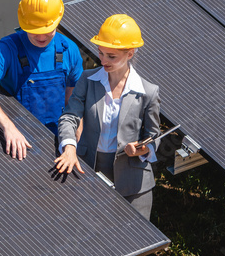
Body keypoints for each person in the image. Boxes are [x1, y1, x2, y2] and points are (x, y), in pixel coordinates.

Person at [54, 14, 160, 222]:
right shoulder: (87, 79)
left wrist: (143, 148)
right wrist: (69, 146)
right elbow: (69, 116)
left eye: (111, 56)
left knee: (134, 243)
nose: (103, 60)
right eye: (101, 53)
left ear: (130, 54)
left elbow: (154, 135)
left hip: (133, 182)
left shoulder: (148, 91)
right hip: (89, 170)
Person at [0, 0, 83, 159]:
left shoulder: (69, 50)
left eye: (47, 31)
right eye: (34, 31)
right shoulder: (6, 49)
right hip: (19, 145)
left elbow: (74, 103)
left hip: (58, 143)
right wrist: (8, 127)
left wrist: (72, 145)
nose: (40, 37)